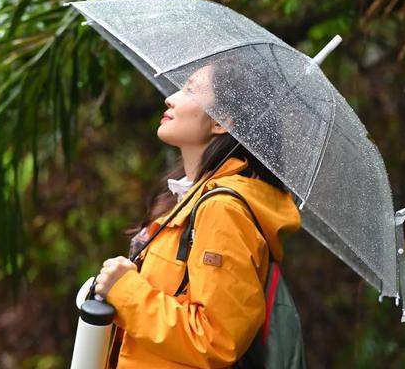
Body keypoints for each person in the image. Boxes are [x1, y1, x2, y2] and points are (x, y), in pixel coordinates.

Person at [94, 64, 301, 368]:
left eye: (190, 90)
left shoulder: (223, 210)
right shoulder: (187, 199)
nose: (170, 98)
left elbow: (215, 338)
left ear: (221, 123)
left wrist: (124, 290)